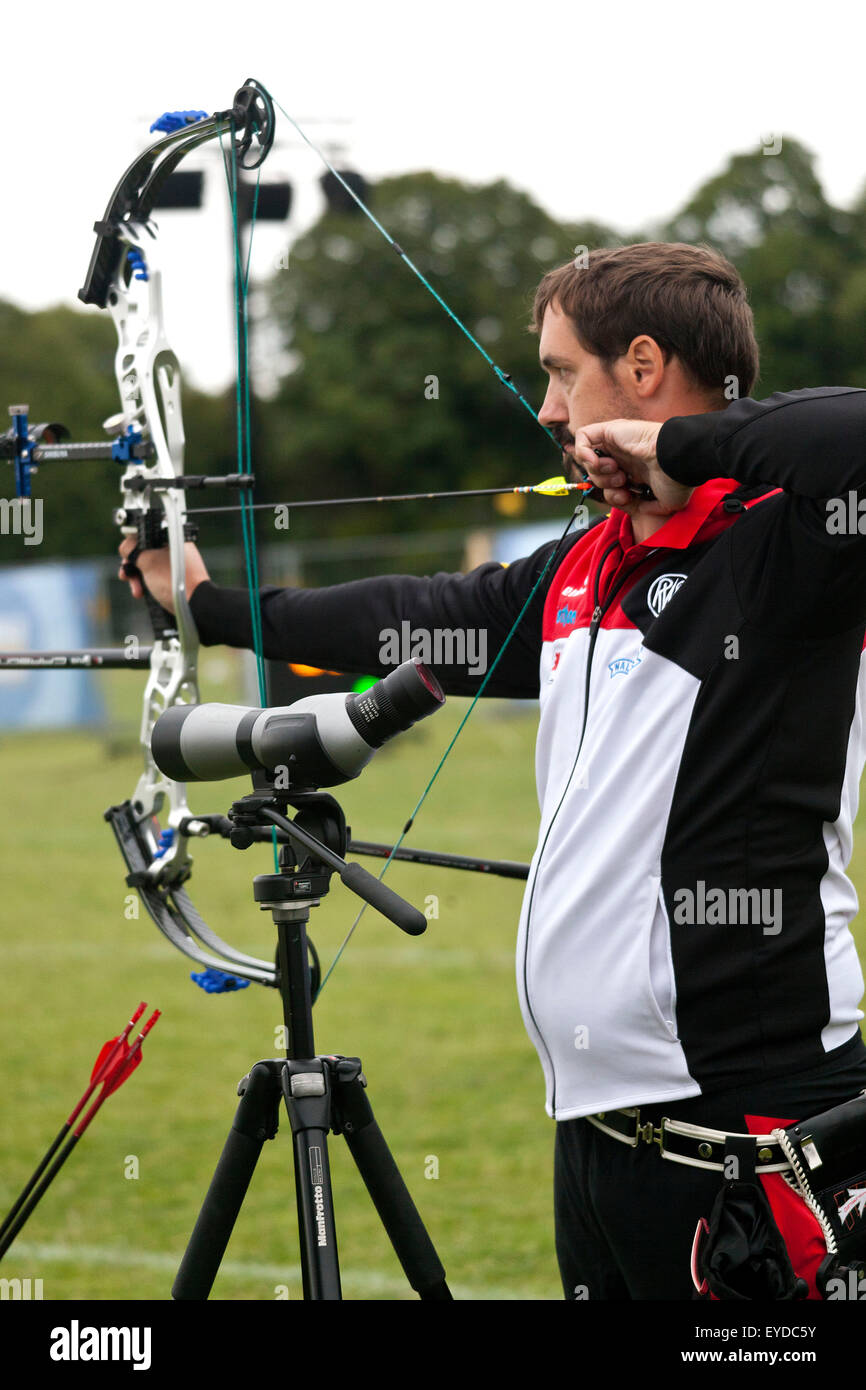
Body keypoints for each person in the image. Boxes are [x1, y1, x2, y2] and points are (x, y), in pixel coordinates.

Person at [119, 242, 866, 1299]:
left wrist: (681, 448)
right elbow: (409, 616)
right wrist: (207, 603)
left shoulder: (788, 552)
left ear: (643, 366)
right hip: (599, 1137)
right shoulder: (578, 568)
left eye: (563, 373)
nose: (549, 408)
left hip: (748, 1125)